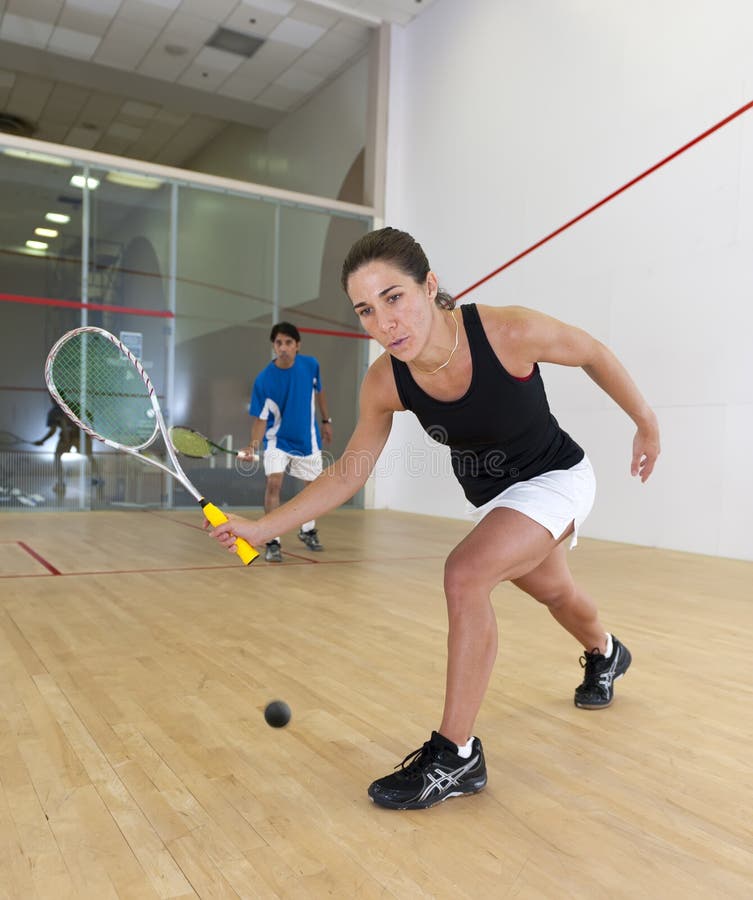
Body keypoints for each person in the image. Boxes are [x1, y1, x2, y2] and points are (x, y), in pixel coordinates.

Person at [211, 228, 660, 809]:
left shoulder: (506, 331)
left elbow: (592, 351)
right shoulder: (386, 381)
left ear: (429, 286)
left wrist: (645, 422)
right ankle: (606, 652)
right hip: (502, 501)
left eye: (394, 298)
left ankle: (456, 755)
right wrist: (260, 528)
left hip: (558, 478)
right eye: (366, 310)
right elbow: (350, 472)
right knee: (556, 593)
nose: (385, 323)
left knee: (465, 574)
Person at [242, 322, 333, 562]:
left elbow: (319, 391)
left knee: (313, 489)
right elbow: (260, 420)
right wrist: (253, 444)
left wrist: (326, 420)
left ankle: (307, 530)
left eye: (288, 343)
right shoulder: (264, 381)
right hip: (277, 440)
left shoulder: (311, 366)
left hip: (307, 438)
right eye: (278, 343)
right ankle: (273, 540)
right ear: (274, 346)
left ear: (297, 345)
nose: (283, 348)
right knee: (274, 484)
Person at [34, 401, 98, 494]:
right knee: (59, 456)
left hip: (80, 435)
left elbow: (88, 417)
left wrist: (42, 441)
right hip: (72, 436)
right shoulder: (56, 411)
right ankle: (61, 482)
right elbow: (89, 417)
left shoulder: (62, 409)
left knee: (87, 456)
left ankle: (96, 479)